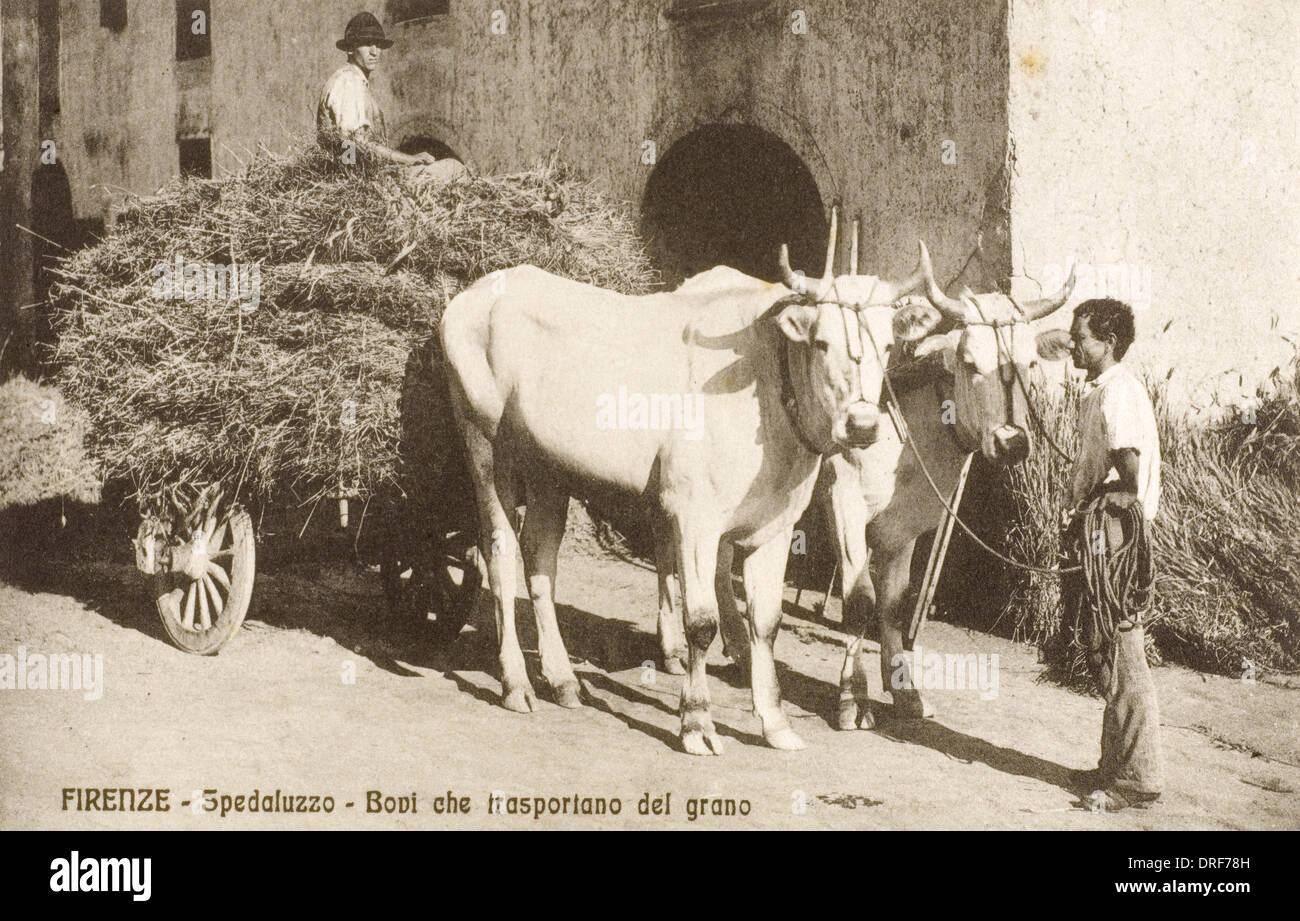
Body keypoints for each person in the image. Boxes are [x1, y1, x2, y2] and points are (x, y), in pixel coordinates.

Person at [1061, 297, 1164, 812]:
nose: (1073, 345)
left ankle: (1137, 780)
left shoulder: (1117, 393)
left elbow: (1127, 470)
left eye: (1081, 337)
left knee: (1123, 653)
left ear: (1109, 343)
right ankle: (1114, 765)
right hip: (1106, 531)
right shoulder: (1104, 390)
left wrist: (1096, 512)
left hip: (1115, 535)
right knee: (1107, 649)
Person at [317, 12, 466, 182]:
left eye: (378, 45)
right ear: (350, 48)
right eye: (366, 43)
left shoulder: (356, 81)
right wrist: (408, 159)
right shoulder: (348, 81)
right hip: (355, 181)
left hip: (366, 177)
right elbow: (353, 144)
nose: (374, 52)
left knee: (446, 168)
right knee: (454, 169)